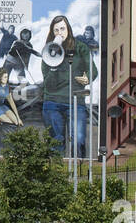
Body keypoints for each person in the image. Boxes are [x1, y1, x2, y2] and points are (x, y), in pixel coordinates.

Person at [41, 15, 98, 158]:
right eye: (56, 30)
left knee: (78, 140)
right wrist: (53, 63)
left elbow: (93, 71)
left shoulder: (80, 48)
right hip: (52, 102)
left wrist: (87, 79)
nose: (60, 33)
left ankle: (79, 174)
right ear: (52, 33)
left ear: (69, 29)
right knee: (55, 142)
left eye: (62, 28)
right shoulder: (48, 52)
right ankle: (57, 175)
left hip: (76, 102)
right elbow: (48, 84)